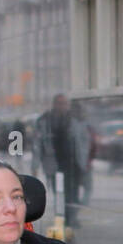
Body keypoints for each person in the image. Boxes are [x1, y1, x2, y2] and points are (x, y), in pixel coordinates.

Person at [38, 94, 83, 227]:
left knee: (72, 193)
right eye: (59, 103)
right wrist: (37, 164)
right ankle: (61, 218)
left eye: (64, 103)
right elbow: (38, 143)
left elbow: (80, 143)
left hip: (72, 164)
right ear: (54, 104)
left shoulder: (73, 120)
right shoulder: (46, 120)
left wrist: (82, 162)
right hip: (53, 164)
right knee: (58, 193)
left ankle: (70, 218)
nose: (61, 106)